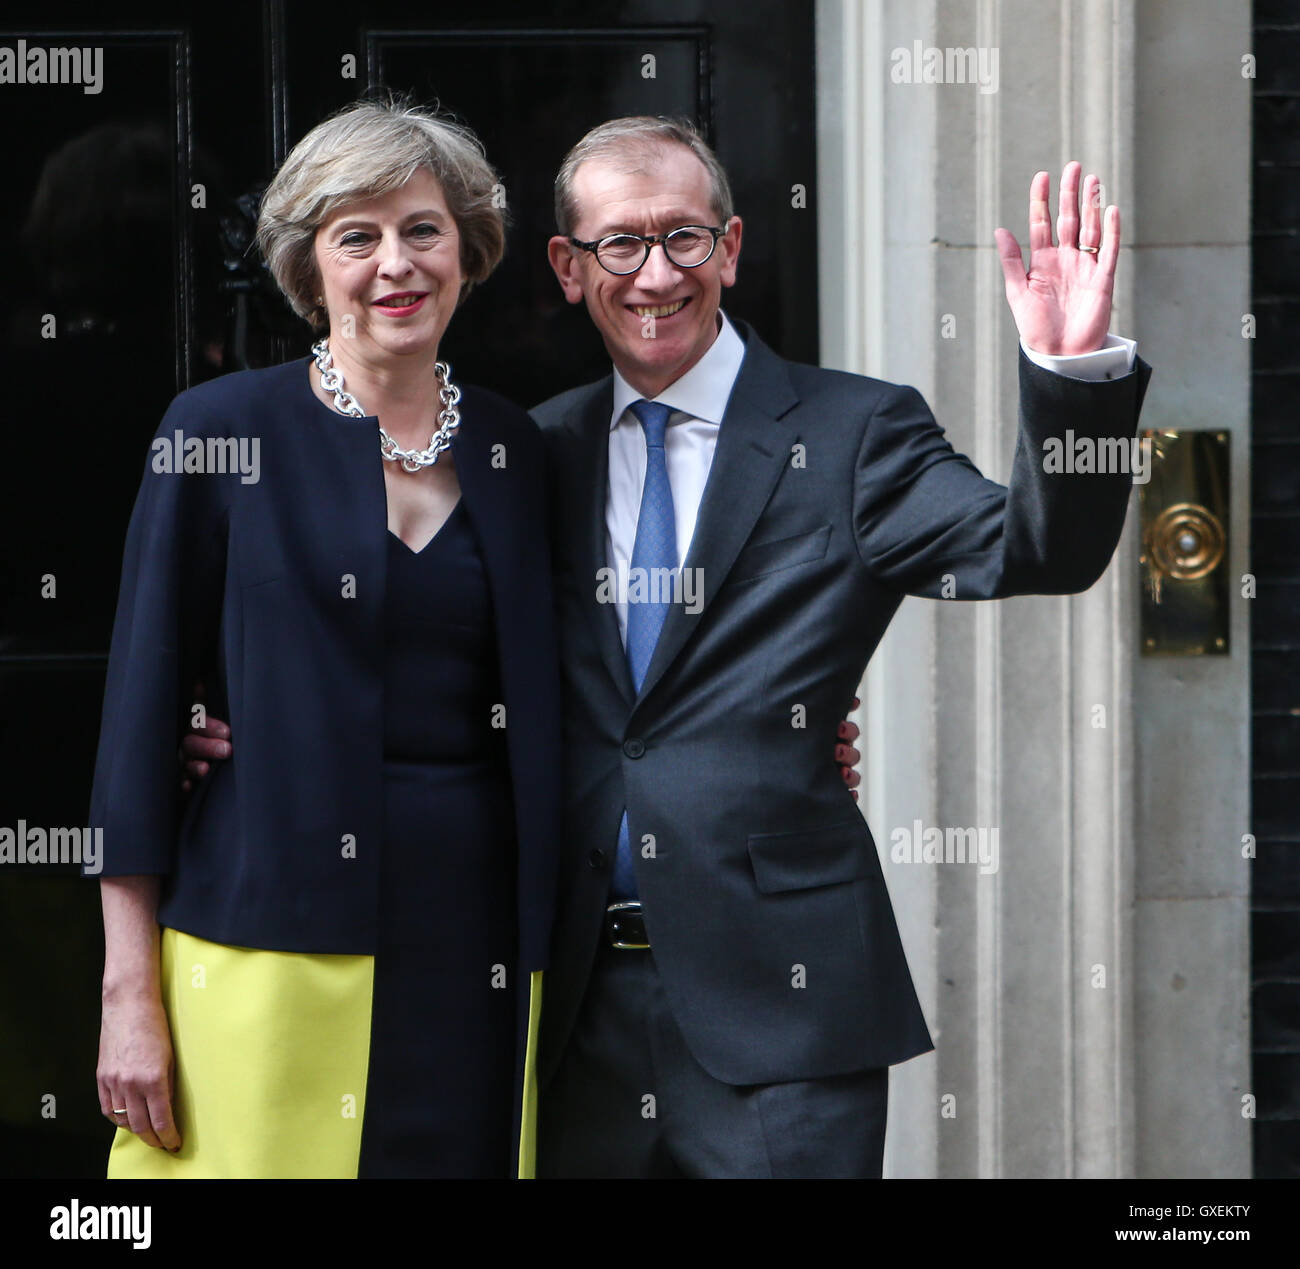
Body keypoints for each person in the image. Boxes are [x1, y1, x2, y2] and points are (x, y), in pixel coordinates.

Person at [524, 118, 1151, 1178]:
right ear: (569, 268)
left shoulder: (855, 433)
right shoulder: (536, 451)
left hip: (783, 1014)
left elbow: (1033, 550)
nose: (654, 274)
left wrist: (1070, 373)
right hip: (572, 1009)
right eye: (619, 245)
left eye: (684, 237)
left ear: (729, 249)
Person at [89, 97, 562, 1178]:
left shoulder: (517, 449)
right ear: (311, 268)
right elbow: (135, 728)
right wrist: (129, 996)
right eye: (358, 236)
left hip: (477, 942)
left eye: (422, 229)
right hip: (260, 923)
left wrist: (779, 727)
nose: (396, 263)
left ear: (467, 249)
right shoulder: (216, 432)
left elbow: (592, 675)